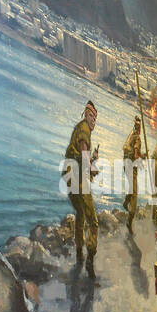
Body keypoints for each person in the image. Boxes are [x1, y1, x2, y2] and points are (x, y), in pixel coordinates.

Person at [62, 100, 100, 276]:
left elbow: (81, 155)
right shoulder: (84, 129)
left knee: (80, 214)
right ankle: (90, 259)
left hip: (70, 177)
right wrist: (91, 165)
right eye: (91, 115)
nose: (93, 120)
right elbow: (83, 154)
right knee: (93, 221)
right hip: (77, 178)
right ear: (86, 114)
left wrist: (92, 160)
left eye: (95, 117)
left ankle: (79, 253)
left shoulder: (79, 128)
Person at [123, 116, 145, 233]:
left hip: (125, 166)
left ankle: (126, 202)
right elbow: (136, 155)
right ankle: (129, 221)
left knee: (132, 188)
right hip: (131, 168)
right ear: (139, 129)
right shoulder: (137, 139)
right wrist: (143, 157)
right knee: (135, 195)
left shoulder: (131, 135)